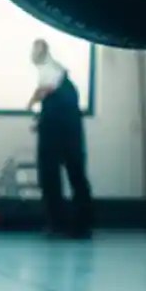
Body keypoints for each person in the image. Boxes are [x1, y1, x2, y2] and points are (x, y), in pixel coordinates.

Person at [28, 38, 93, 239]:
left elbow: (45, 90)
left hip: (60, 123)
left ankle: (60, 223)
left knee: (51, 173)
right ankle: (76, 223)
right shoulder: (56, 72)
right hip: (65, 122)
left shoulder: (48, 67)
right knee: (74, 171)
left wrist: (30, 103)